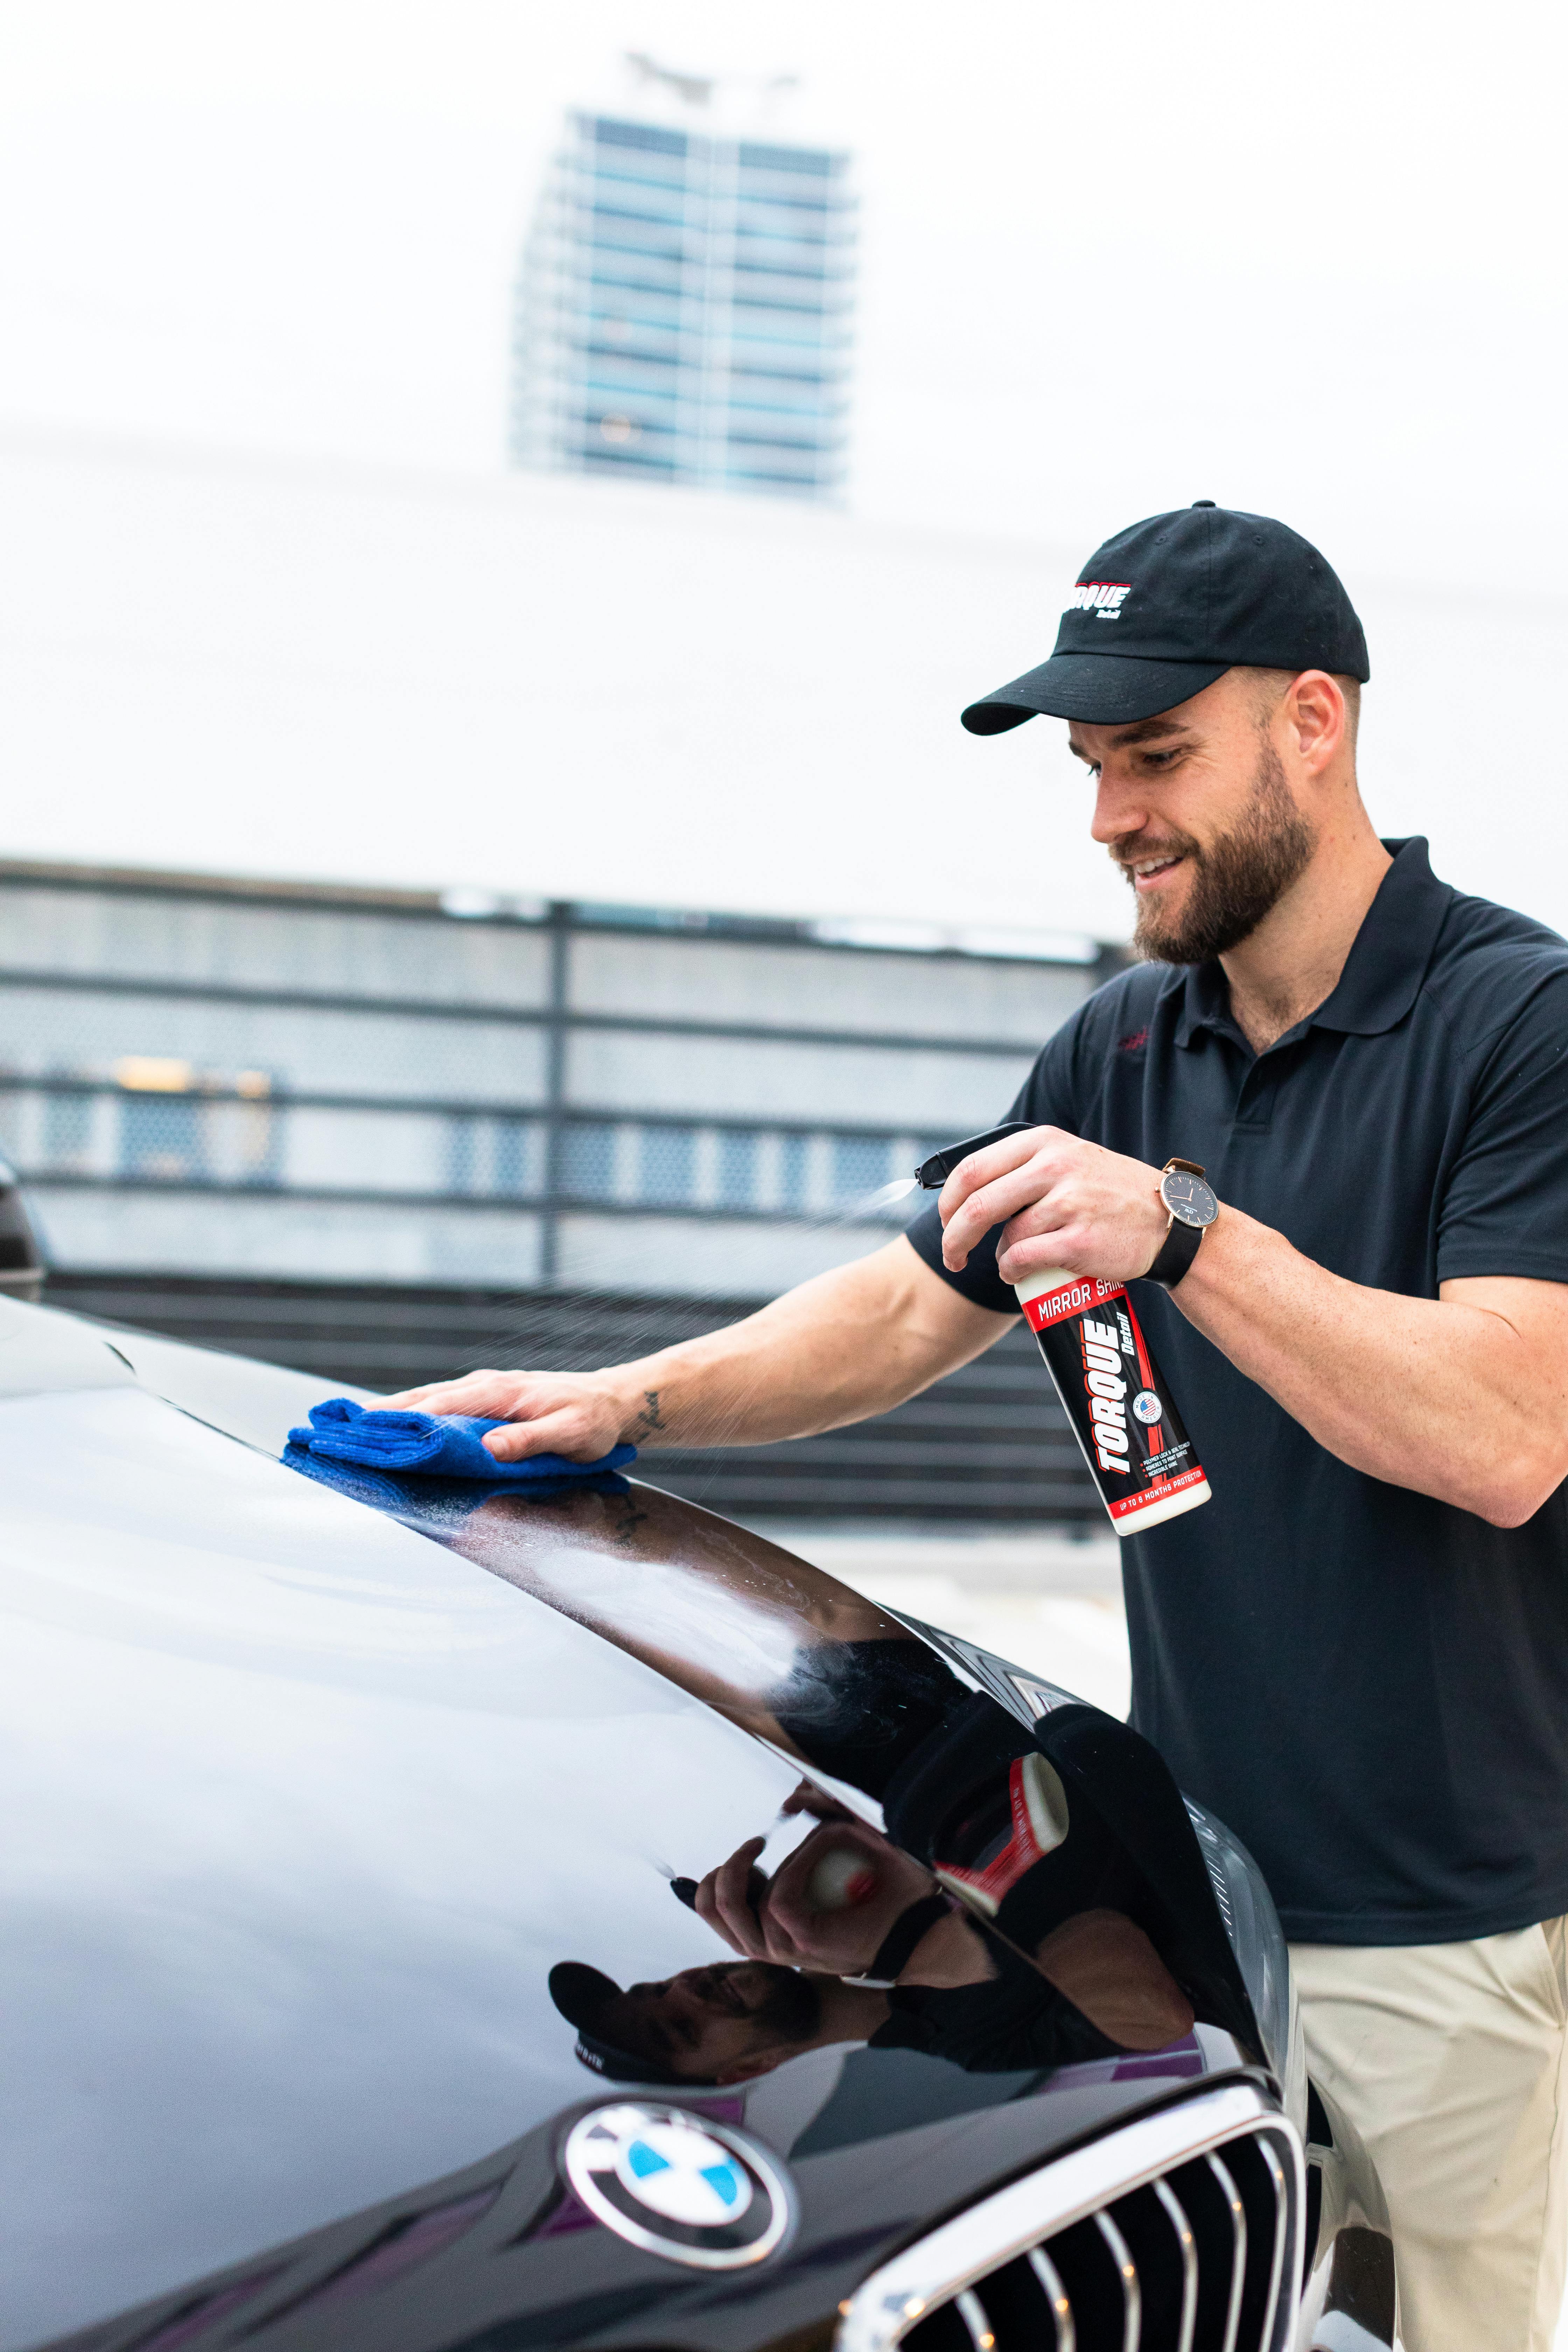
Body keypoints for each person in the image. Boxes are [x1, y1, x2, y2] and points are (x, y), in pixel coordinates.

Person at [388, 503, 1568, 2352]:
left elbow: (1505, 1433)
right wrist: (631, 1400)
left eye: (1158, 757)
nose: (1114, 817)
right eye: (1097, 769)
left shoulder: (1521, 1024)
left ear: (1315, 723)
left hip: (1439, 1927)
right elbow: (906, 1303)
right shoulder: (1118, 1048)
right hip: (1179, 1912)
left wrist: (1185, 1233)